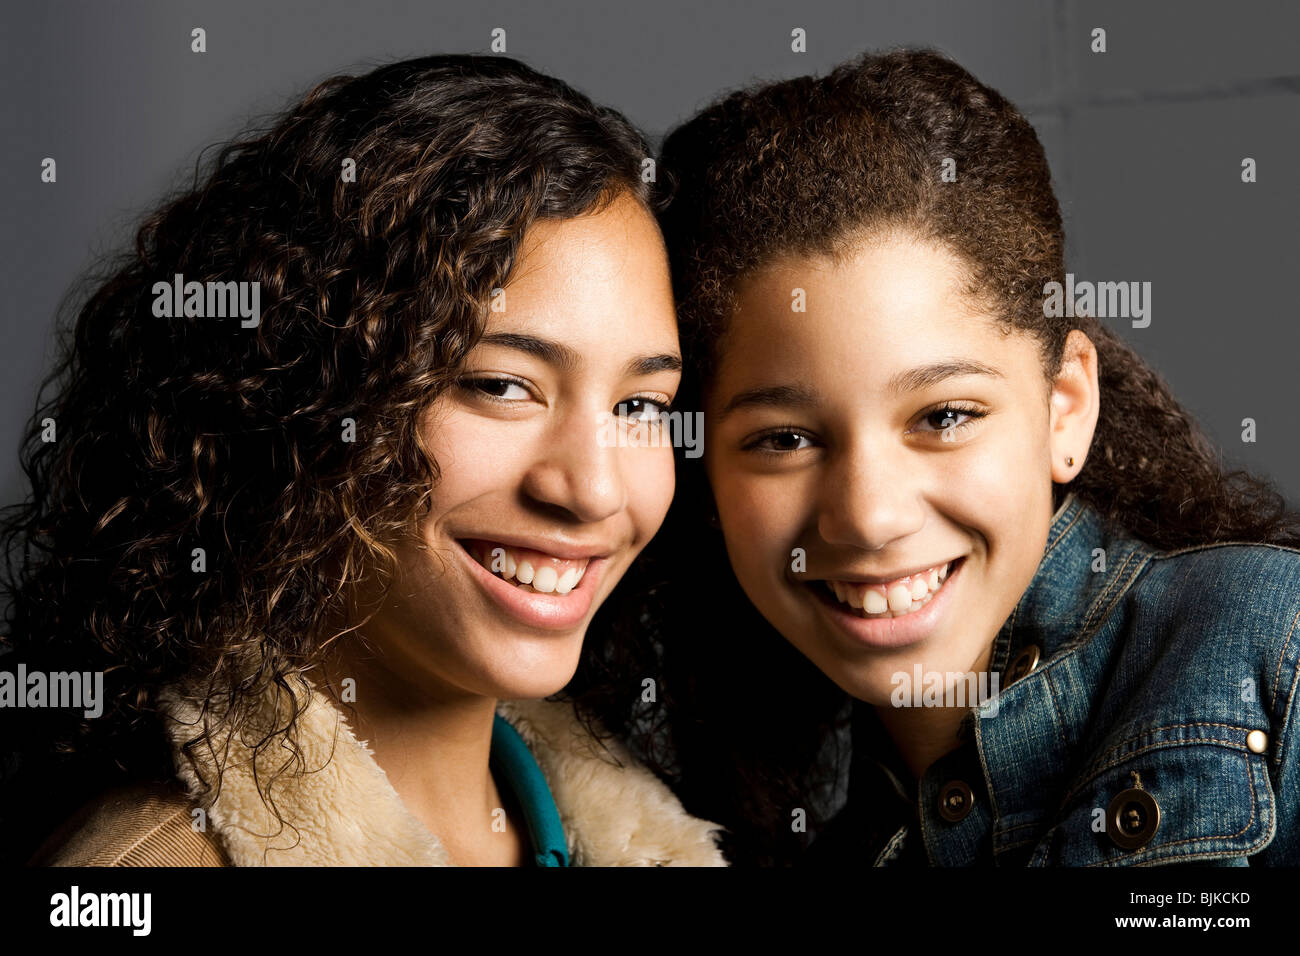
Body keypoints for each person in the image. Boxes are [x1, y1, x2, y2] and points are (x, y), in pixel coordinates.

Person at [1, 54, 725, 867]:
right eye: (499, 385)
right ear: (302, 398)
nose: (592, 490)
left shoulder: (642, 834)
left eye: (639, 407)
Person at [605, 47, 1300, 866]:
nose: (868, 516)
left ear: (1064, 406)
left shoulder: (1275, 650)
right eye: (784, 440)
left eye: (943, 416)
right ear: (704, 472)